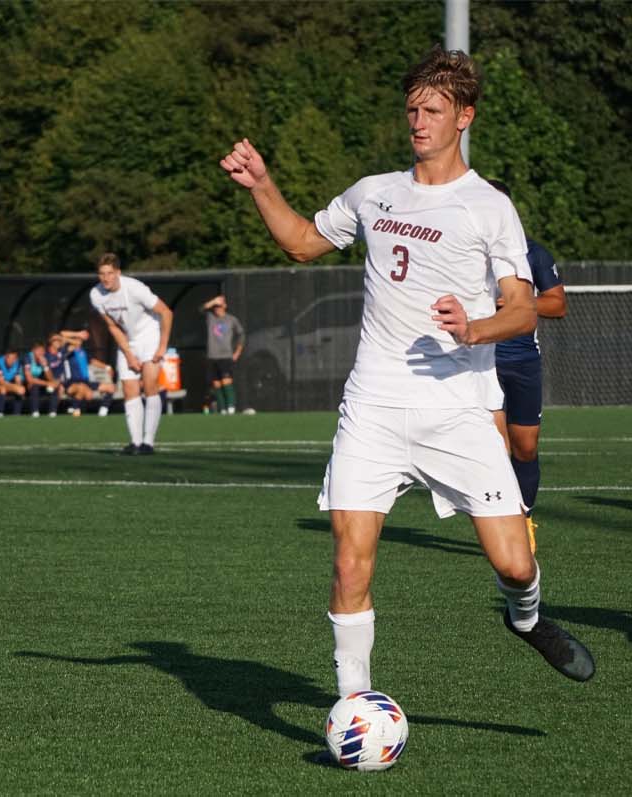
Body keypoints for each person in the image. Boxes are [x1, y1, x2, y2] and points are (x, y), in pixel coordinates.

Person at [218, 44, 595, 695]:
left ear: (464, 117)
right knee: (349, 563)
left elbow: (522, 308)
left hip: (457, 409)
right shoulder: (375, 193)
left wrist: (474, 327)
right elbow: (303, 243)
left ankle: (528, 618)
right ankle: (354, 702)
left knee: (515, 564)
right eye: (412, 109)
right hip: (373, 406)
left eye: (433, 110)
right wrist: (262, 186)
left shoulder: (489, 206)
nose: (418, 121)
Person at [484, 180, 566, 553]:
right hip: (479, 362)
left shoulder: (531, 253)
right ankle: (501, 525)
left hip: (521, 361)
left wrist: (519, 303)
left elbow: (557, 305)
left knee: (525, 447)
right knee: (494, 448)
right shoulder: (461, 251)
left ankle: (524, 516)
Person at [89, 253, 174, 455]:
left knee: (150, 385)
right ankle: (135, 443)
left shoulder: (135, 288)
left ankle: (148, 443)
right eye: (102, 274)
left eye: (110, 273)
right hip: (128, 341)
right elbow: (113, 326)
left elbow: (166, 312)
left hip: (150, 336)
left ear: (118, 272)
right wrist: (128, 354)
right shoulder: (96, 295)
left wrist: (162, 346)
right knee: (129, 389)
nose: (106, 278)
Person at [200, 295, 245, 414]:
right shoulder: (210, 317)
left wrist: (237, 352)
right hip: (212, 356)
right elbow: (201, 309)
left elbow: (241, 334)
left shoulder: (231, 320)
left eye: (219, 306)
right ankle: (222, 408)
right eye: (215, 307)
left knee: (226, 381)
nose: (217, 309)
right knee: (216, 383)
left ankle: (231, 407)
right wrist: (213, 301)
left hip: (225, 356)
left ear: (224, 306)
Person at [23, 340, 62, 417]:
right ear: (33, 351)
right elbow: (29, 379)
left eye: (42, 351)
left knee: (54, 386)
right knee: (34, 386)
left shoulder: (45, 358)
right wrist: (47, 383)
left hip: (40, 382)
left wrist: (45, 366)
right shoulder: (27, 358)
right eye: (38, 351)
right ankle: (35, 412)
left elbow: (50, 378)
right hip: (26, 383)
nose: (41, 353)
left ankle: (52, 412)